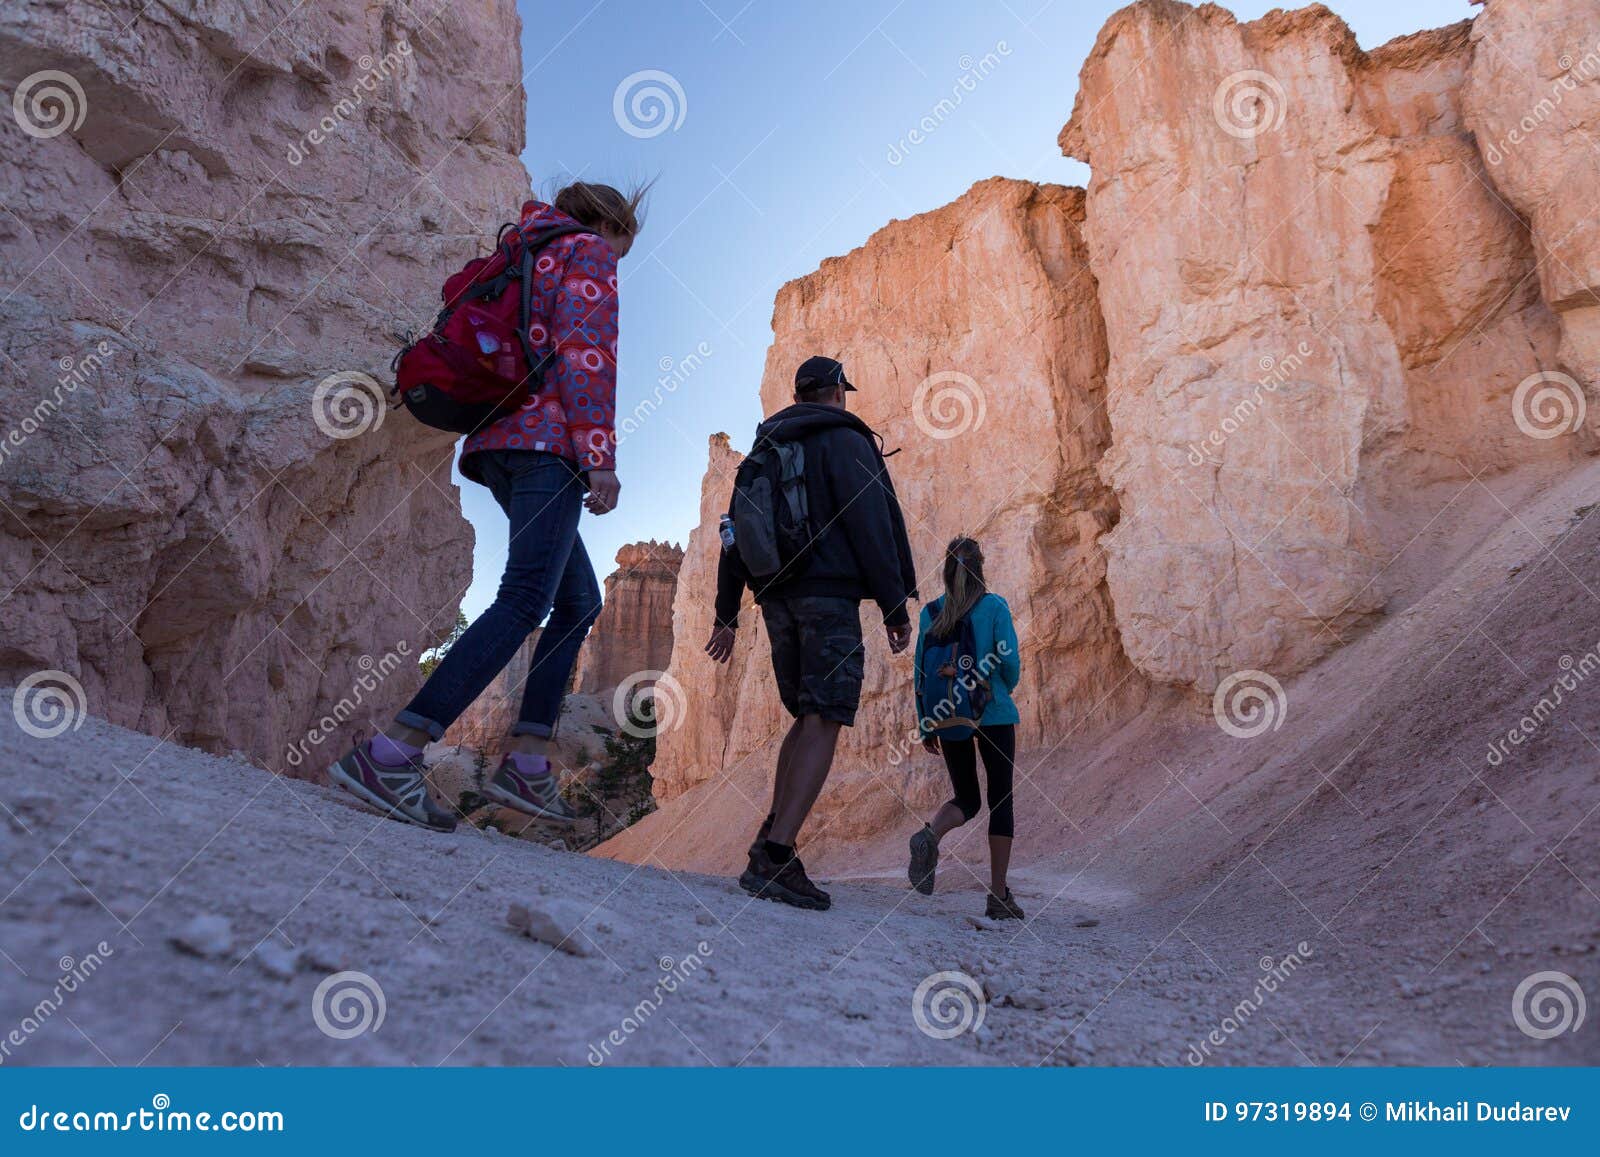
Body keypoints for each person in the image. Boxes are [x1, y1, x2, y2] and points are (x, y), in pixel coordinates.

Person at [329, 182, 646, 832]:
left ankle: (528, 765)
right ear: (611, 224)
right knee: (526, 598)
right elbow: (588, 358)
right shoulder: (587, 252)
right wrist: (599, 457)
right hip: (546, 446)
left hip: (498, 440)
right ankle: (392, 753)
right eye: (625, 242)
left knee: (579, 599)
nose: (621, 256)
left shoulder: (526, 247)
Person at [705, 356, 917, 911]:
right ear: (837, 394)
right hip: (828, 595)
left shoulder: (764, 451)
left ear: (799, 395)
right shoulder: (845, 441)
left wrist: (727, 615)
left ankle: (772, 841)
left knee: (807, 715)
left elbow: (732, 536)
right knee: (826, 716)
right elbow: (870, 520)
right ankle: (775, 856)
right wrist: (895, 604)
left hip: (775, 597)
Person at [907, 537, 1025, 920]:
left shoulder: (930, 613)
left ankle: (931, 836)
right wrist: (994, 683)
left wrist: (927, 724)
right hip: (993, 712)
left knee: (967, 798)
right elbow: (1010, 666)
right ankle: (998, 895)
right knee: (1000, 801)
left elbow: (920, 673)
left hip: (947, 713)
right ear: (981, 567)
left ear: (946, 569)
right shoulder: (993, 607)